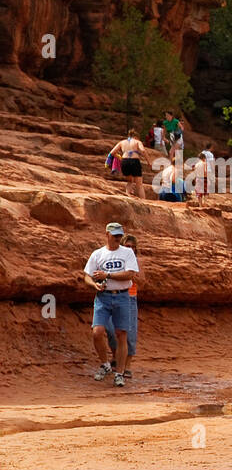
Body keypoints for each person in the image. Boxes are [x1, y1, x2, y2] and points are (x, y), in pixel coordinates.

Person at [83, 222, 139, 387]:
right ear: (107, 234)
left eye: (119, 236)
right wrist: (94, 284)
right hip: (103, 297)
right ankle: (105, 364)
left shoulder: (127, 253)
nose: (117, 238)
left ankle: (119, 372)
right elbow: (87, 275)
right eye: (115, 235)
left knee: (122, 334)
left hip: (122, 297)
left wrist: (107, 274)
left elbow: (130, 274)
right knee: (97, 332)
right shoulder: (98, 254)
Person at [105, 233, 142, 379]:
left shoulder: (137, 262)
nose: (131, 249)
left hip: (129, 298)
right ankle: (116, 357)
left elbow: (143, 280)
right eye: (128, 246)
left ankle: (127, 366)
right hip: (111, 296)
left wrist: (131, 275)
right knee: (110, 329)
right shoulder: (115, 259)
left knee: (129, 333)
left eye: (133, 247)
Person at [107, 129, 147, 199]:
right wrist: (147, 160)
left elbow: (112, 153)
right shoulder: (137, 142)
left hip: (124, 161)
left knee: (129, 181)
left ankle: (128, 198)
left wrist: (118, 157)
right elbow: (143, 150)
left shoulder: (122, 142)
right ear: (136, 137)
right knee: (139, 184)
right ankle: (143, 201)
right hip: (134, 161)